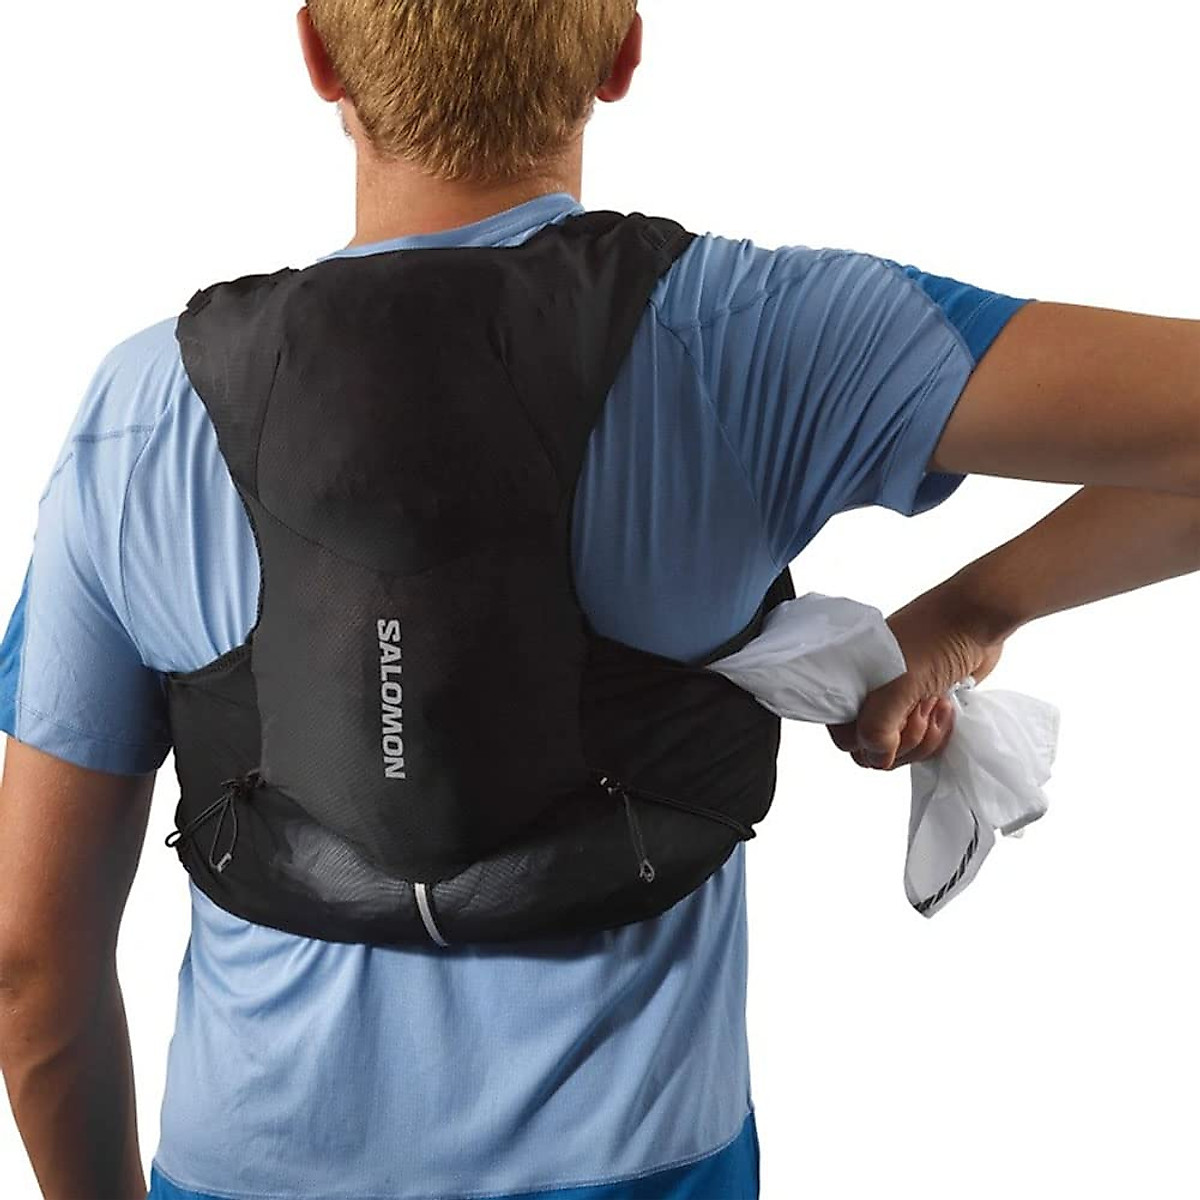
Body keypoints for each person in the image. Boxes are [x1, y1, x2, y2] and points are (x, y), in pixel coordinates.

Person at [0, 3, 1197, 1198]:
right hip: (644, 1172)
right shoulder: (750, 338)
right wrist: (971, 615)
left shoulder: (138, 415)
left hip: (245, 1167)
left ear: (317, 53)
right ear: (622, 52)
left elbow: (30, 970)